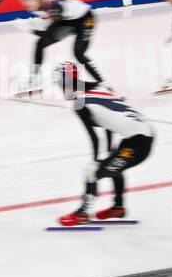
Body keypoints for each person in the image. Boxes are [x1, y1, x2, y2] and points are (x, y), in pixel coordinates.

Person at [54, 62, 155, 226]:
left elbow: (94, 137)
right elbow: (109, 124)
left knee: (92, 173)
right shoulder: (99, 87)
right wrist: (106, 154)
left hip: (137, 143)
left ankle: (82, 213)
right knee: (112, 163)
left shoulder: (79, 102)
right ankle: (118, 207)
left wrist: (96, 161)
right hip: (141, 135)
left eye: (60, 85)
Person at [16, 0, 105, 94]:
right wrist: (35, 26)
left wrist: (30, 29)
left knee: (79, 52)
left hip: (85, 19)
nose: (25, 2)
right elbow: (50, 26)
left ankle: (103, 83)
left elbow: (48, 33)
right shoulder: (40, 5)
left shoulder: (54, 4)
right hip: (67, 21)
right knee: (40, 43)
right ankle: (35, 78)